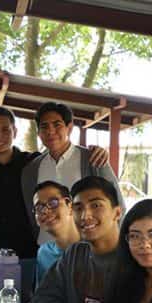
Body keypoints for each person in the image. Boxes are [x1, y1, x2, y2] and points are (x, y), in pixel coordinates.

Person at [0, 106, 109, 263]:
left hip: (32, 252)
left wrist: (98, 152)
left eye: (5, 130)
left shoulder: (31, 163)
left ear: (15, 132)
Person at [20, 102, 124, 247]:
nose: (50, 131)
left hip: (87, 249)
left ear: (69, 128)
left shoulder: (93, 160)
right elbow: (31, 213)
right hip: (47, 249)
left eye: (57, 125)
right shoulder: (31, 169)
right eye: (44, 126)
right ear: (38, 133)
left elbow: (117, 204)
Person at [31, 181, 80, 283]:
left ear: (70, 205)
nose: (46, 211)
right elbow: (43, 292)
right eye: (39, 208)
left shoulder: (94, 247)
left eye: (53, 203)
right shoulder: (44, 254)